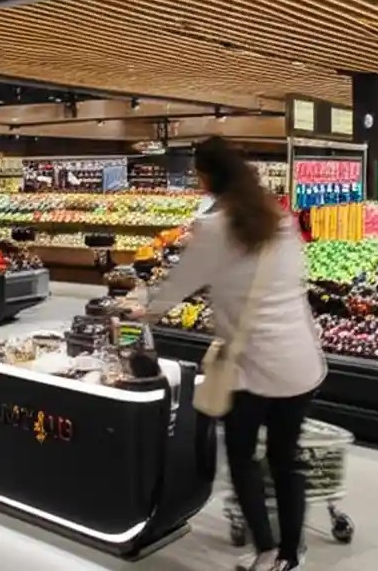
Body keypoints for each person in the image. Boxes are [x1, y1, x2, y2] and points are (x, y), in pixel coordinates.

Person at [140, 137, 326, 571]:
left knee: (242, 456)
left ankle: (264, 550)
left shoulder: (215, 229)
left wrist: (142, 313)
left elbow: (177, 286)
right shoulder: (280, 221)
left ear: (205, 177)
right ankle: (288, 555)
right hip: (299, 361)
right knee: (286, 458)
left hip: (252, 365)